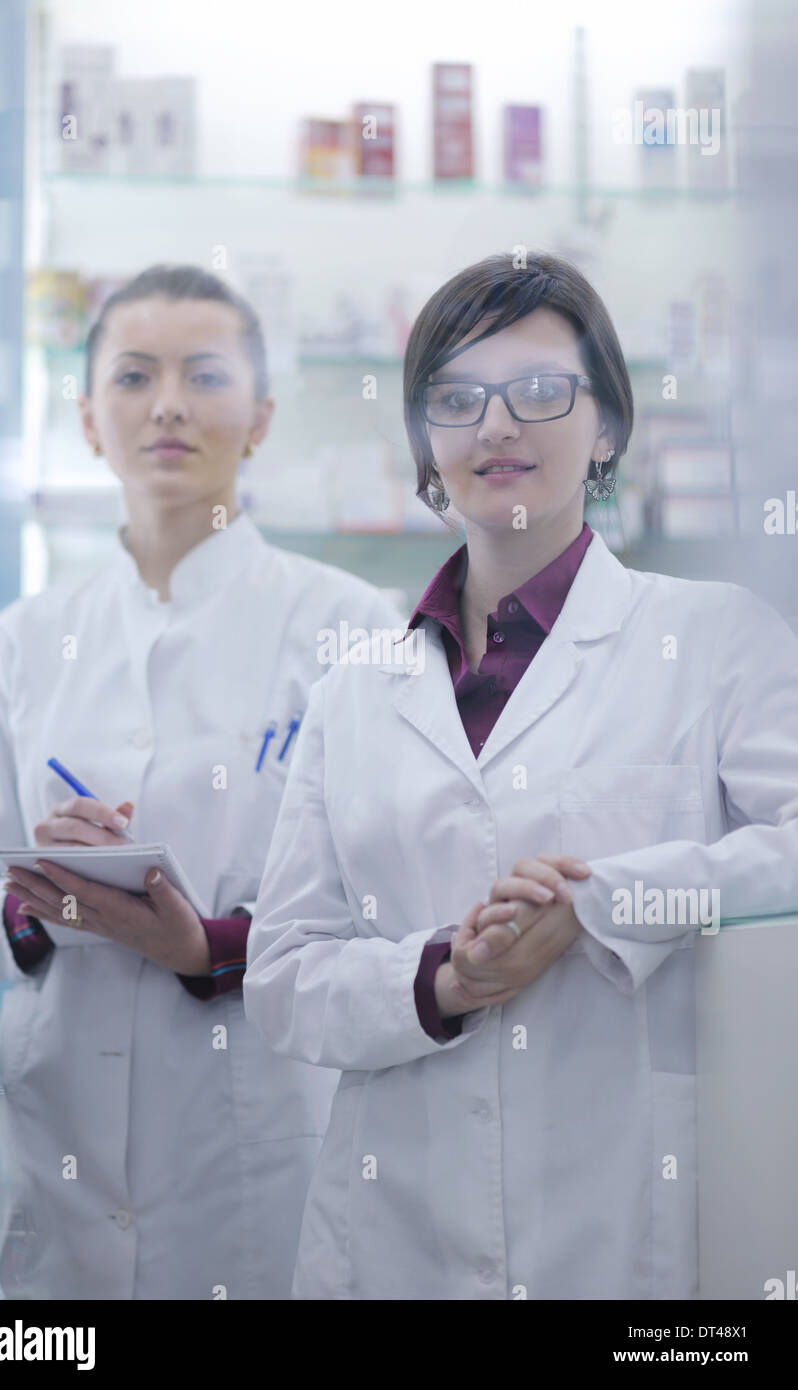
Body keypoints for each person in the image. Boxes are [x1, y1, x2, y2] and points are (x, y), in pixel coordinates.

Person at [244, 249, 798, 1300]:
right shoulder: (355, 688)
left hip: (621, 1223)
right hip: (392, 1230)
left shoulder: (717, 638)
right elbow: (281, 977)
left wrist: (602, 904)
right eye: (455, 398)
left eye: (540, 391)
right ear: (423, 446)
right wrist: (440, 980)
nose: (495, 427)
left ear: (607, 429)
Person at [0, 264, 402, 1300]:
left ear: (261, 416)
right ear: (89, 419)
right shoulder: (27, 641)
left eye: (204, 375)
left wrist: (212, 946)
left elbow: (388, 901)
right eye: (134, 375)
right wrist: (42, 911)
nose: (168, 404)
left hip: (259, 1129)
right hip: (57, 1139)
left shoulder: (350, 628)